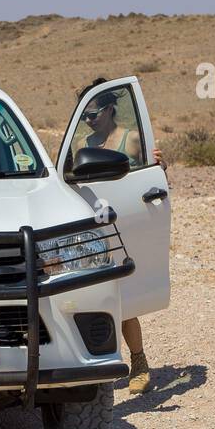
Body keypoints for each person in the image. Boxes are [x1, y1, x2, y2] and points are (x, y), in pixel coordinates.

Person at [76, 78, 167, 394]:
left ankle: (139, 363)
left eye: (93, 114)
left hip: (127, 222)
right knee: (97, 297)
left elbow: (151, 178)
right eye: (84, 116)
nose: (89, 121)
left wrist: (159, 164)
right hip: (96, 226)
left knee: (126, 298)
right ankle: (100, 363)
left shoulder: (130, 141)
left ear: (110, 108)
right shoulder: (85, 145)